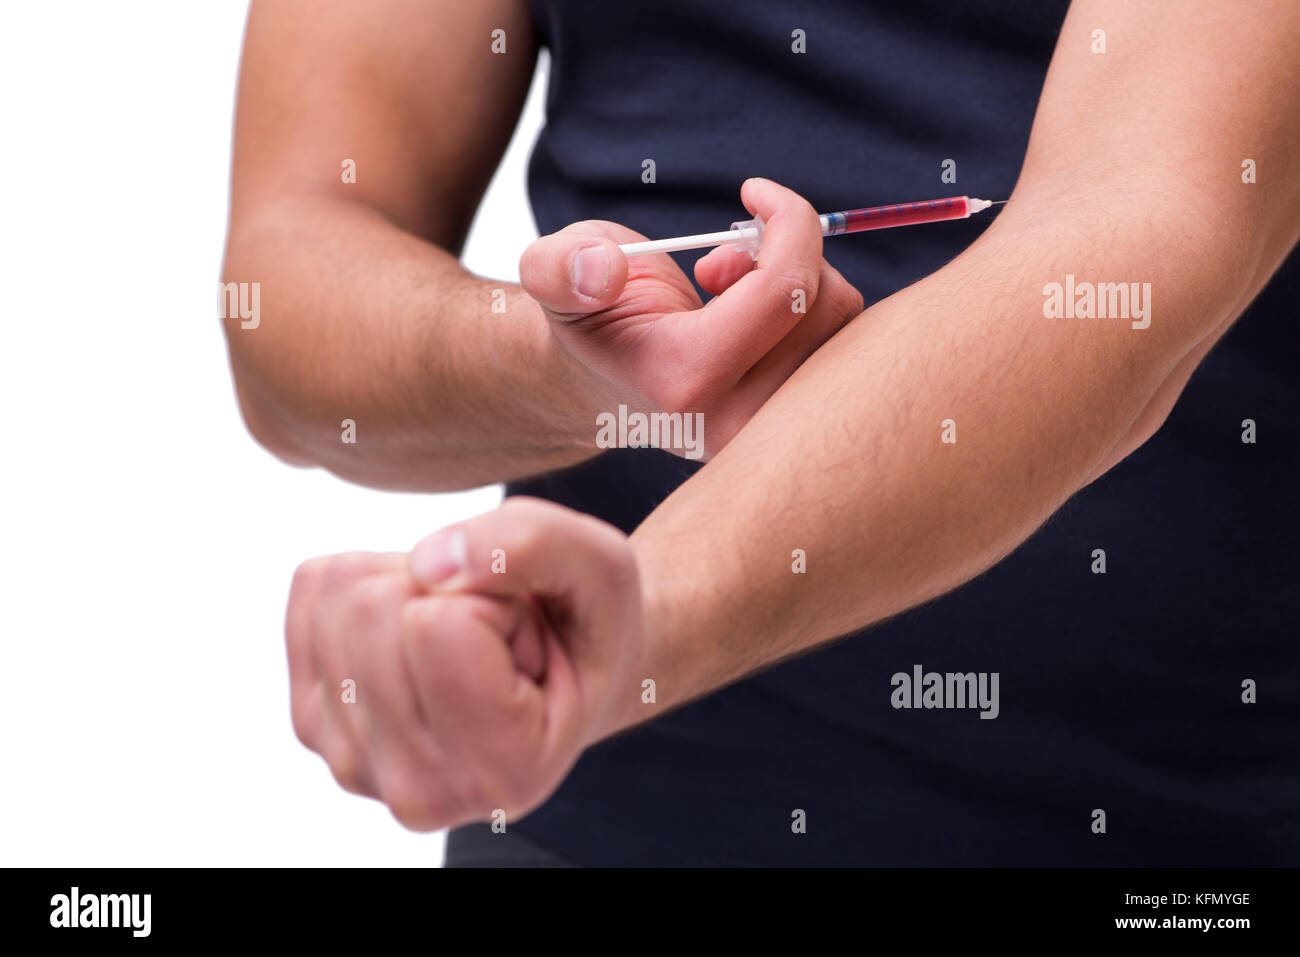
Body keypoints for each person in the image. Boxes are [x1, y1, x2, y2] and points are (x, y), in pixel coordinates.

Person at [221, 0, 1300, 866]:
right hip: (584, 825)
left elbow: (1142, 238)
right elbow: (295, 264)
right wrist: (579, 367)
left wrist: (636, 628)